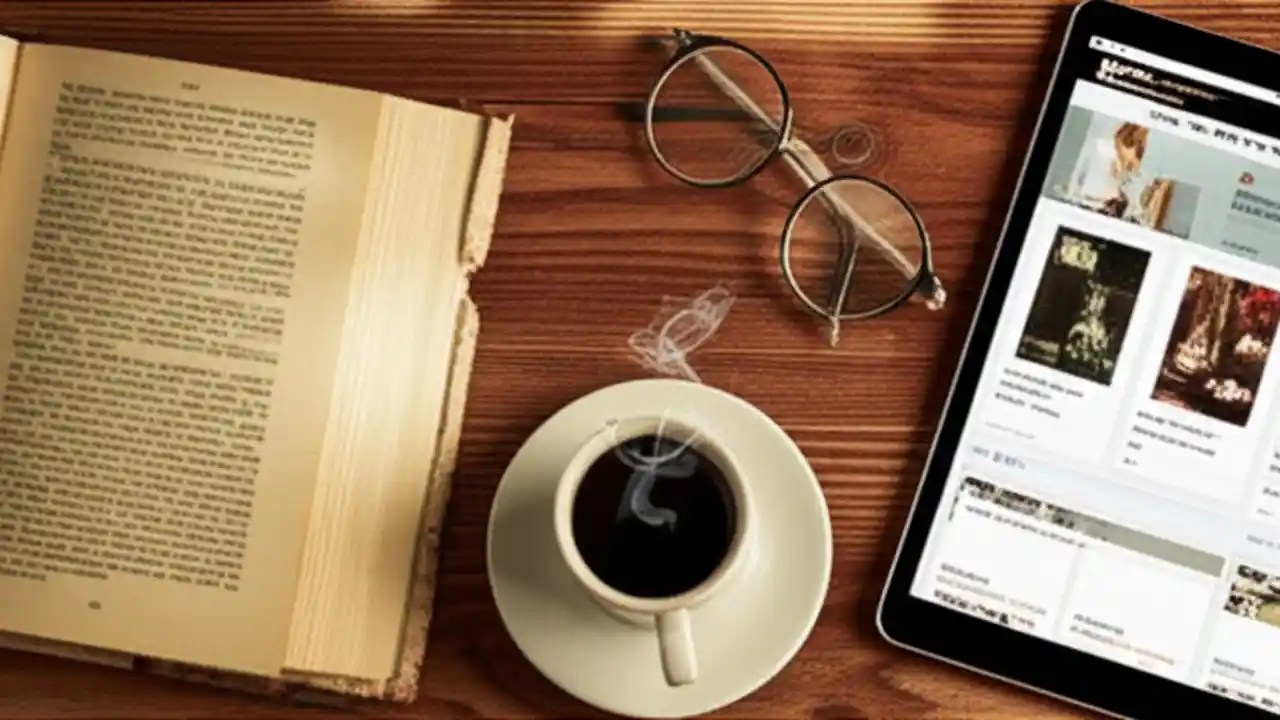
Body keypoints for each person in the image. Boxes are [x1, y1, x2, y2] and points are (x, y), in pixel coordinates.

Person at [1066, 121, 1149, 214]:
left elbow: (1130, 169)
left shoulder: (1111, 149)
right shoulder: (1104, 147)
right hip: (1093, 198)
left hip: (1100, 200)